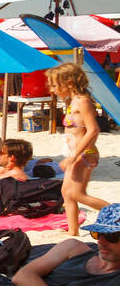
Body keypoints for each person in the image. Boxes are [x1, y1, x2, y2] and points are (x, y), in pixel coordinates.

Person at [49, 62, 107, 236]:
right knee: (67, 193)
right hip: (76, 153)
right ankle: (73, 231)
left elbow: (93, 130)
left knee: (77, 194)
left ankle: (115, 212)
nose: (52, 89)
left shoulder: (82, 101)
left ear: (69, 83)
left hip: (83, 153)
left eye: (54, 84)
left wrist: (74, 156)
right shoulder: (74, 101)